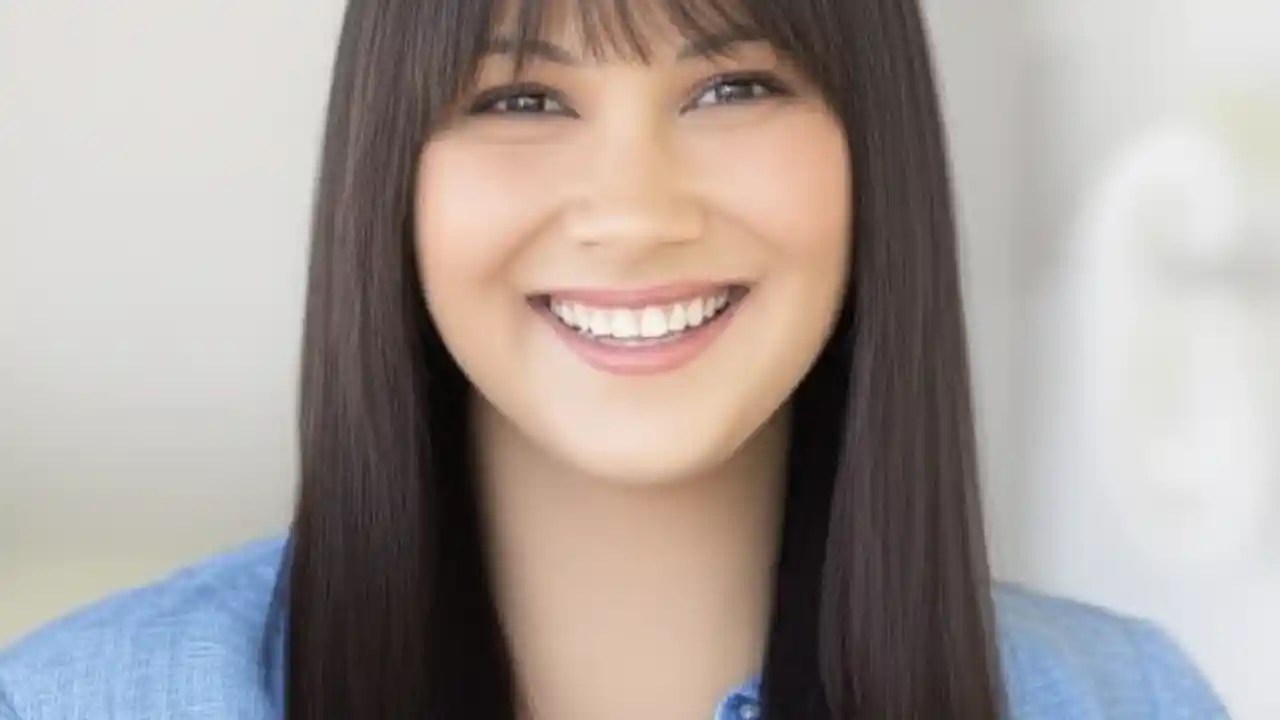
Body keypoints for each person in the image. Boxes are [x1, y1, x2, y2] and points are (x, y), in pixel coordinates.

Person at [0, 0, 1230, 718]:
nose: (634, 213)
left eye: (733, 87)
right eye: (521, 101)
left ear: (873, 146)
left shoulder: (1124, 701)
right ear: (391, 172)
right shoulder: (84, 703)